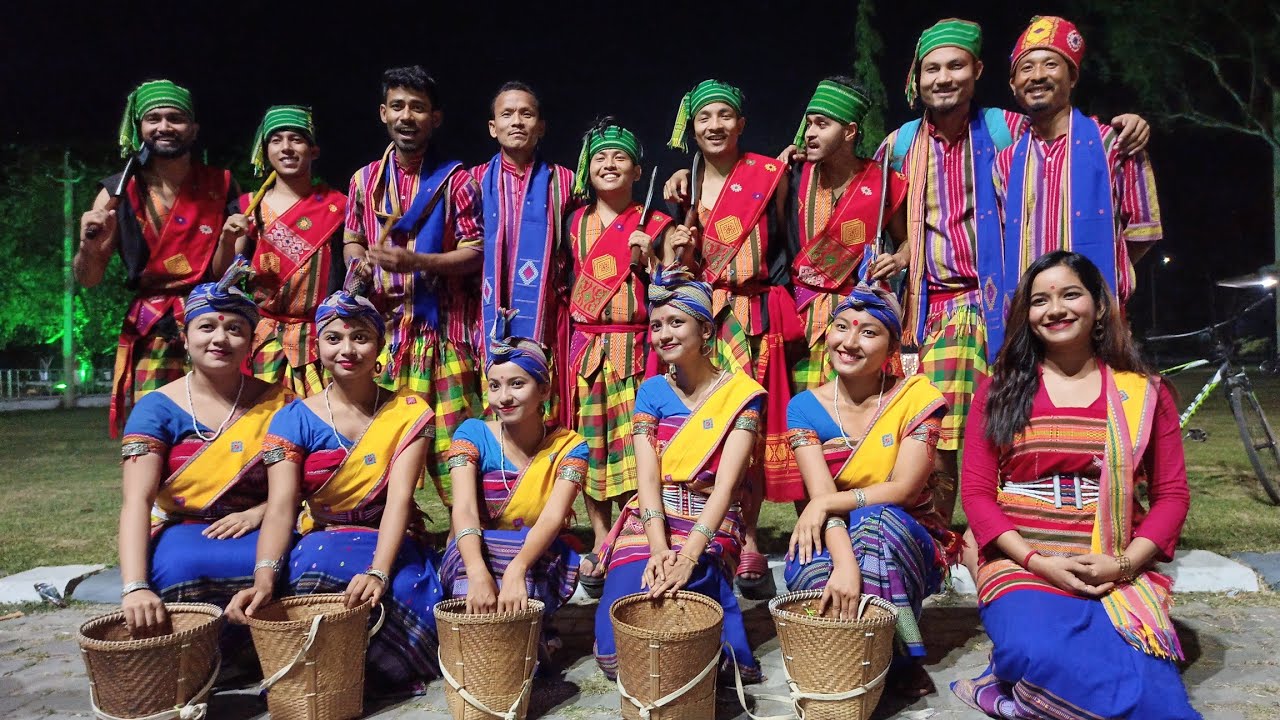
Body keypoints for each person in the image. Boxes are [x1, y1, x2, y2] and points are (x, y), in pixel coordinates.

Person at [877, 19, 1151, 527]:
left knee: (1012, 418)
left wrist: (1098, 291)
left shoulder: (1008, 130)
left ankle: (1056, 519)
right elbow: (873, 206)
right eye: (931, 68)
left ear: (979, 71)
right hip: (925, 307)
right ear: (916, 80)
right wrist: (798, 158)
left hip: (998, 303)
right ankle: (936, 535)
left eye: (956, 66)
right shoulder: (898, 145)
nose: (943, 77)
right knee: (932, 425)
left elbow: (1067, 132)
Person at [951, 251, 1196, 718]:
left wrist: (1122, 565)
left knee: (1155, 691)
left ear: (1099, 306)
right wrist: (1038, 562)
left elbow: (1172, 496)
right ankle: (1015, 677)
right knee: (1036, 652)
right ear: (1027, 314)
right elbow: (978, 495)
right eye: (1040, 300)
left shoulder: (1144, 392)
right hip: (1021, 558)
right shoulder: (998, 388)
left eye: (1070, 294)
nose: (1055, 309)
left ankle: (1014, 695)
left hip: (1109, 558)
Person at [226, 272, 444, 694]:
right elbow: (282, 505)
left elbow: (400, 500)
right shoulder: (293, 418)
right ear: (317, 347)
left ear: (380, 347)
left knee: (404, 596)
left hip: (390, 541)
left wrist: (379, 571)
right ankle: (320, 678)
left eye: (361, 337)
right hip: (322, 539)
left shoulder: (408, 411)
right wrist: (265, 579)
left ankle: (362, 680)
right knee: (307, 596)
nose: (347, 349)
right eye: (334, 338)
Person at [782, 285, 959, 697]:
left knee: (878, 526)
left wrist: (826, 502)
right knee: (820, 574)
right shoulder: (804, 407)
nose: (848, 341)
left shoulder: (916, 398)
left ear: (893, 345)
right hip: (832, 530)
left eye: (867, 333)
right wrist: (844, 564)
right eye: (840, 327)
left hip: (905, 530)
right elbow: (822, 498)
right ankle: (847, 662)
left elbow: (901, 490)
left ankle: (900, 659)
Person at [593, 266, 766, 683]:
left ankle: (707, 658)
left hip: (711, 518)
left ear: (706, 330)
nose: (663, 335)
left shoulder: (740, 395)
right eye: (655, 326)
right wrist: (657, 548)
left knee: (691, 581)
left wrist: (687, 554)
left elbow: (727, 486)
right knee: (623, 613)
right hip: (653, 518)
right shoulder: (651, 391)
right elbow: (647, 481)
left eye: (676, 323)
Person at [664, 79, 799, 597]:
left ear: (741, 123)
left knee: (753, 430)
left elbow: (789, 240)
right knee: (707, 429)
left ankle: (748, 537)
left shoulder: (770, 176)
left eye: (725, 116)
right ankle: (710, 526)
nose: (715, 126)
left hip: (753, 316)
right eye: (704, 118)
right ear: (691, 128)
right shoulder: (686, 185)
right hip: (703, 319)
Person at [117, 257, 286, 634]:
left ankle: (276, 661)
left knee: (295, 563)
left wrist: (258, 513)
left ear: (252, 342)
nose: (219, 339)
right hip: (183, 528)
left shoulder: (281, 405)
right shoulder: (156, 409)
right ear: (185, 335)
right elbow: (136, 503)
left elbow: (302, 491)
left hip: (265, 527)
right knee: (182, 567)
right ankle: (196, 666)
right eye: (206, 327)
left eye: (235, 329)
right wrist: (134, 587)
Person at [345, 65, 485, 495]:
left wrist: (417, 261)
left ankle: (466, 538)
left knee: (453, 448)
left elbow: (476, 252)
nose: (407, 116)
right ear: (383, 113)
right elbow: (352, 239)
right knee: (380, 444)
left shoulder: (457, 182)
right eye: (399, 106)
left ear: (435, 118)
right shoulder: (364, 181)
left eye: (419, 108)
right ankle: (390, 535)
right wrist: (360, 263)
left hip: (446, 332)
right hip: (384, 333)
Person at [76, 79, 241, 436]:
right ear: (139, 128)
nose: (164, 126)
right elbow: (88, 277)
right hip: (151, 325)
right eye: (153, 118)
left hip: (211, 320)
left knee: (221, 428)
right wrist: (88, 246)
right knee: (154, 432)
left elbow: (225, 271)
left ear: (193, 128)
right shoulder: (116, 192)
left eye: (175, 118)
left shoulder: (222, 185)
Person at [564, 119, 683, 593]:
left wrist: (652, 260)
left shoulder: (657, 224)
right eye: (599, 158)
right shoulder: (574, 223)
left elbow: (678, 289)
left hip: (636, 348)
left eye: (619, 158)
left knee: (641, 450)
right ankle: (599, 535)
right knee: (591, 446)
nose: (608, 165)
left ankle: (634, 532)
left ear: (637, 169)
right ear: (586, 170)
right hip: (588, 350)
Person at [994, 16, 1161, 329]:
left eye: (1051, 65)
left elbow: (1142, 232)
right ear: (1013, 86)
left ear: (1072, 77)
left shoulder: (1115, 143)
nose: (1038, 76)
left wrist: (1098, 276)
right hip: (1030, 323)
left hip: (1100, 320)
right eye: (1026, 68)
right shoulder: (1005, 162)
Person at [440, 330, 586, 652]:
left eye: (517, 384)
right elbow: (463, 510)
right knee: (472, 594)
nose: (503, 397)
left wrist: (518, 569)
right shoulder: (473, 433)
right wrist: (478, 572)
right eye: (495, 386)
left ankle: (523, 649)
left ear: (544, 390)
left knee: (523, 596)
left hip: (535, 555)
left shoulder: (569, 447)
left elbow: (551, 519)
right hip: (474, 553)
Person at [220, 105, 351, 398]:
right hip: (264, 339)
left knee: (323, 429)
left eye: (296, 139)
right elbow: (222, 275)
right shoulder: (248, 207)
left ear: (313, 150)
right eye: (276, 140)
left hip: (322, 338)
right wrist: (228, 240)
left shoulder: (338, 206)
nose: (287, 148)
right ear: (265, 151)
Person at [787, 77, 909, 392]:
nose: (810, 132)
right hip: (802, 324)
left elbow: (908, 241)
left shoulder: (884, 182)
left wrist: (896, 260)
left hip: (862, 319)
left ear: (850, 132)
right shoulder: (794, 175)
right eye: (809, 123)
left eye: (822, 124)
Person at [471, 82, 578, 425]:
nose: (517, 121)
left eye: (526, 114)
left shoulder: (565, 182)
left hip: (549, 318)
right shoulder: (473, 182)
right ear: (493, 127)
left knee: (551, 411)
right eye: (507, 114)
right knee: (499, 410)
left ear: (541, 126)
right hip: (488, 318)